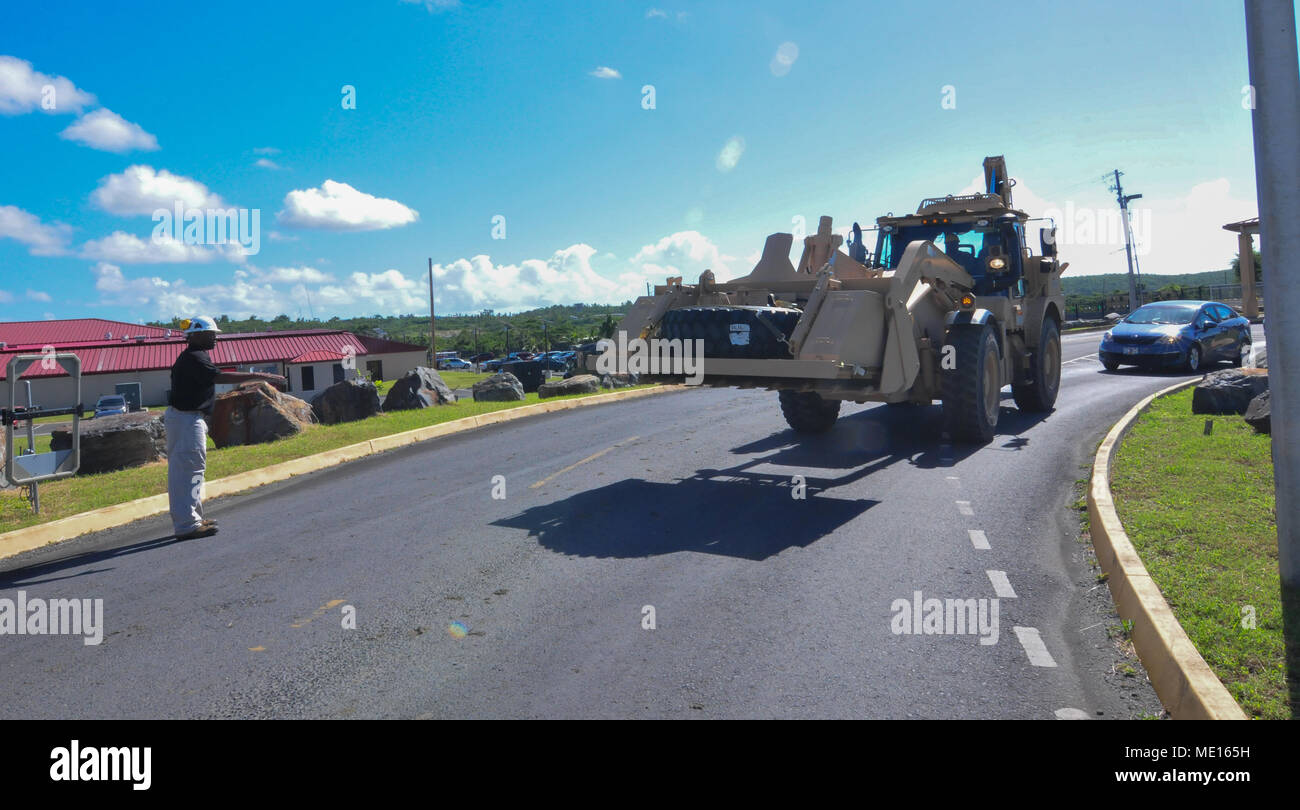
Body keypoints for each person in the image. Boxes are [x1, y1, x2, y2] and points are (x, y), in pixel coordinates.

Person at [166, 316, 286, 540]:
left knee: (188, 471)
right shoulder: (194, 357)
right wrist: (260, 375)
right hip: (187, 420)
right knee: (189, 472)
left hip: (185, 419)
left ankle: (192, 520)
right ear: (196, 335)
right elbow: (220, 376)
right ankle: (187, 525)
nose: (215, 338)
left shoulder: (194, 356)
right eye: (211, 334)